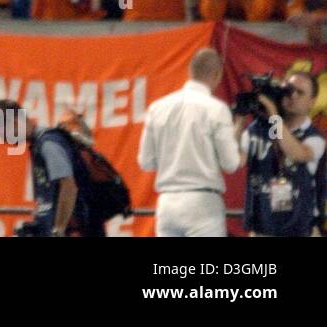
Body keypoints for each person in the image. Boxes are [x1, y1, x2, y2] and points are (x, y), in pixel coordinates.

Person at [137, 47, 243, 237]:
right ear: (217, 75)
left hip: (168, 202)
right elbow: (231, 163)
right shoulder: (217, 110)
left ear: (190, 71)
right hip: (204, 203)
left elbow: (146, 162)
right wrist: (243, 152)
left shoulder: (157, 108)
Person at [0, 98, 97, 237]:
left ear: (13, 123)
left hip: (75, 230)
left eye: (2, 133)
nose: (4, 140)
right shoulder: (37, 144)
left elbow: (69, 186)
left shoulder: (48, 144)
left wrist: (58, 229)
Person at [237, 71, 325, 237]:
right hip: (262, 228)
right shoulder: (257, 130)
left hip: (300, 230)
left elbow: (297, 153)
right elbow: (234, 161)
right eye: (288, 90)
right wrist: (240, 120)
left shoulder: (314, 137)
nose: (292, 96)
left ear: (312, 102)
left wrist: (274, 117)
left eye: (300, 92)